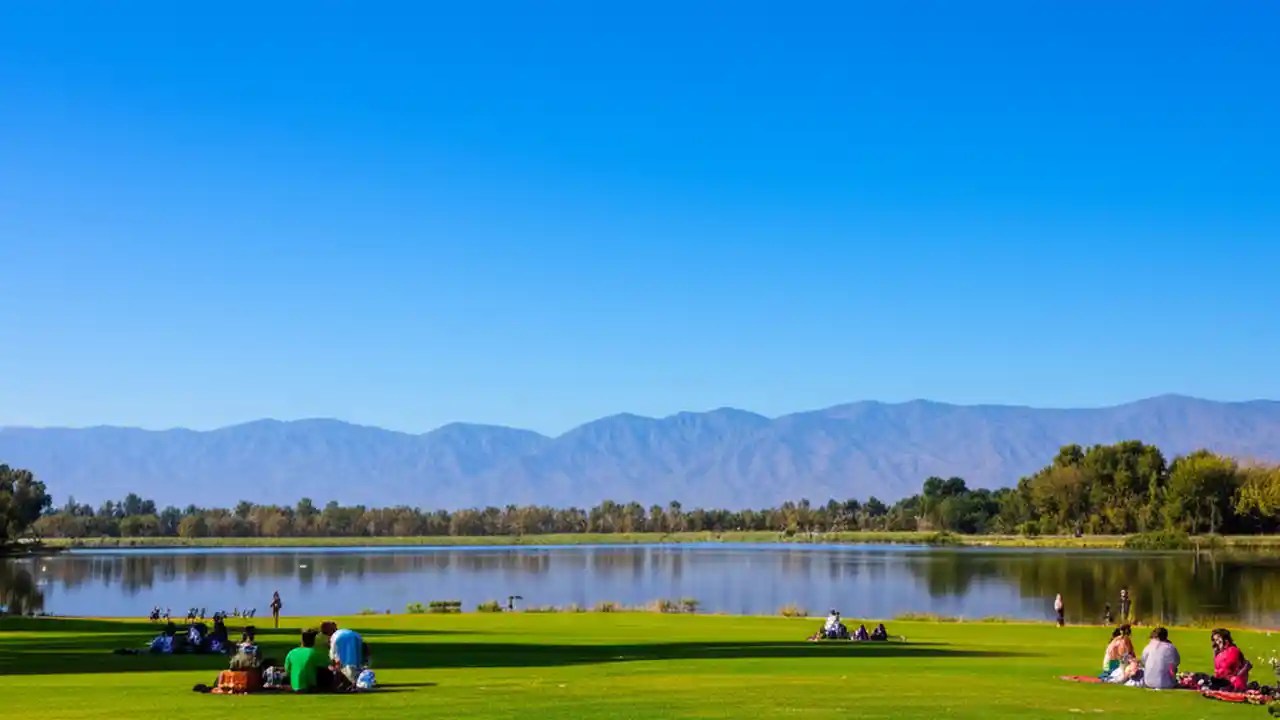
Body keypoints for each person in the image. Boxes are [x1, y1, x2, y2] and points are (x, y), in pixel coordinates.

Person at [321, 621, 367, 686]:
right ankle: (358, 679)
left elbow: (334, 656)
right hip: (356, 636)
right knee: (356, 659)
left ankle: (350, 681)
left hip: (340, 638)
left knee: (338, 660)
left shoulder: (334, 636)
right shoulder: (342, 631)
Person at [284, 629, 329, 693]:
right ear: (314, 640)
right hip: (310, 687)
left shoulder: (292, 652)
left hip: (294, 686)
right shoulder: (315, 653)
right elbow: (329, 666)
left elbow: (287, 671)